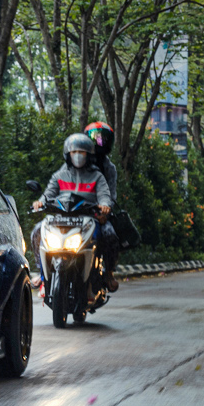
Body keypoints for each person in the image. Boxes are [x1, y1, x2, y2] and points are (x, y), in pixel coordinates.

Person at [32, 132, 114, 290]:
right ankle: (42, 273)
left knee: (108, 234)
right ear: (68, 154)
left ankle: (100, 277)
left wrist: (104, 205)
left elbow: (105, 196)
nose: (77, 155)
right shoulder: (60, 175)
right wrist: (40, 202)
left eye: (81, 152)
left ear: (89, 155)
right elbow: (48, 194)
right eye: (74, 152)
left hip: (88, 219)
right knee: (37, 231)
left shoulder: (97, 176)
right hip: (61, 218)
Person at [82, 121, 123, 291]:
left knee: (110, 235)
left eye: (103, 140)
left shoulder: (109, 168)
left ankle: (109, 273)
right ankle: (43, 275)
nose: (99, 143)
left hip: (97, 215)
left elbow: (111, 195)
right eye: (95, 139)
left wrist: (105, 210)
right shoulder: (74, 163)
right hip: (73, 213)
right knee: (41, 231)